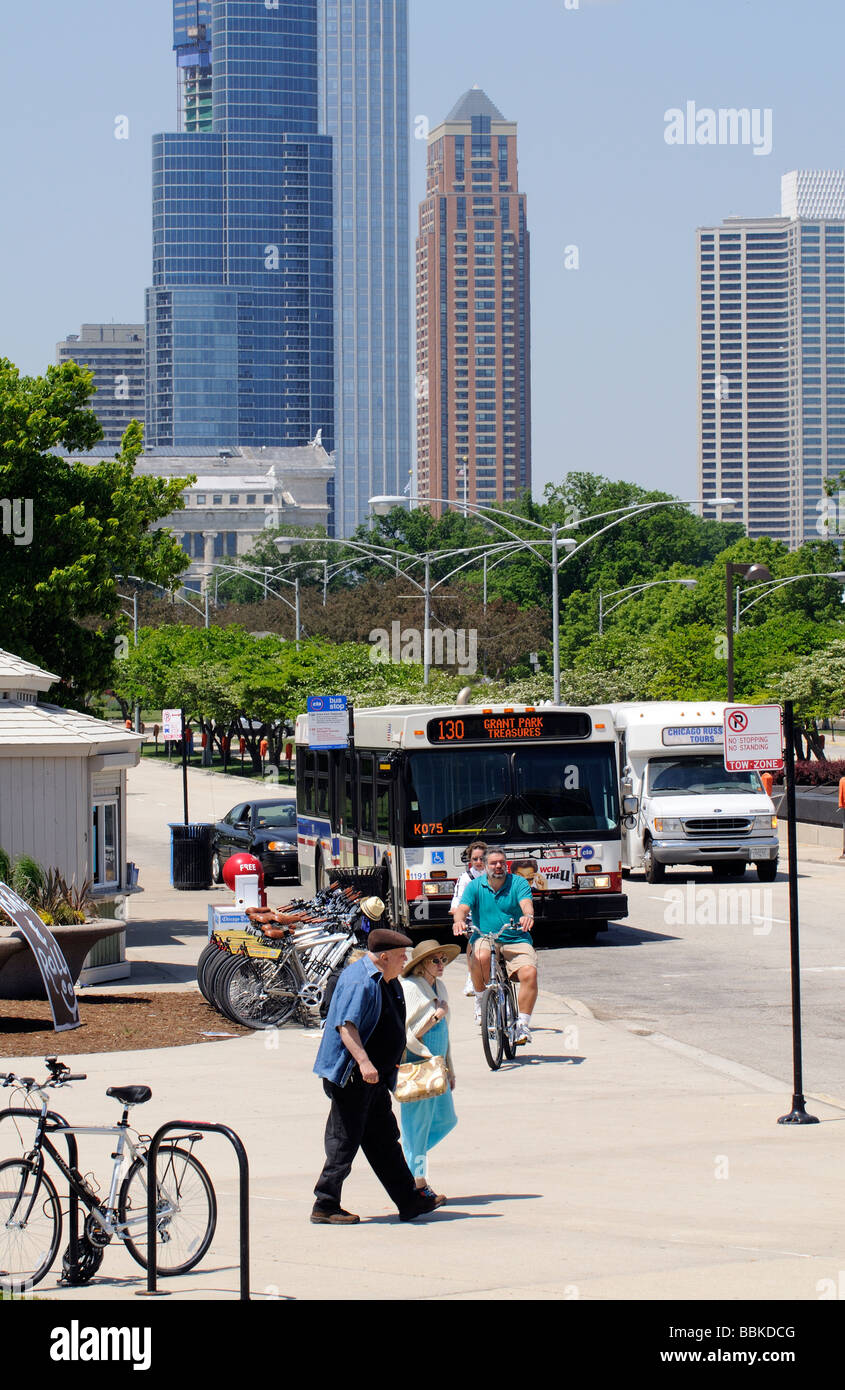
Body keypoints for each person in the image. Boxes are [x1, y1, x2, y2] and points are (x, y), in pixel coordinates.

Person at [312, 927, 446, 1225]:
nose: (404, 962)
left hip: (374, 1077)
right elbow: (346, 1028)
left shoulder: (388, 979)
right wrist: (365, 1063)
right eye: (400, 957)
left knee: (384, 1139)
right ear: (383, 957)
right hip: (353, 1076)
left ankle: (409, 1201)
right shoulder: (361, 982)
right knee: (344, 1140)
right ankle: (325, 1204)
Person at [452, 847, 537, 1045]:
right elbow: (462, 908)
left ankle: (522, 1025)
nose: (498, 866)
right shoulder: (475, 886)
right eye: (493, 863)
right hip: (486, 936)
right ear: (486, 865)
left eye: (501, 862)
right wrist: (459, 921)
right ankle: (482, 998)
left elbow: (526, 903)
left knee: (529, 973)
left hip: (516, 938)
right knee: (479, 957)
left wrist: (528, 915)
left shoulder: (518, 882)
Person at [399, 940, 460, 1200]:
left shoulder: (440, 987)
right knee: (417, 1127)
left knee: (446, 1119)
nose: (441, 964)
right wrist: (435, 1015)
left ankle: (409, 1161)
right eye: (435, 960)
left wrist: (450, 1068)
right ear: (421, 964)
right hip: (418, 1064)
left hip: (438, 1065)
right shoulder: (411, 988)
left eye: (443, 960)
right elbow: (407, 1034)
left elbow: (446, 1034)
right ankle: (418, 1181)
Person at [449, 841, 487, 1002]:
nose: (479, 862)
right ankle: (472, 976)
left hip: (491, 917)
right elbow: (457, 900)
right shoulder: (465, 878)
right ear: (470, 860)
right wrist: (457, 913)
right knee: (474, 941)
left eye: (482, 858)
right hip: (472, 918)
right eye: (475, 859)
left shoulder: (494, 875)